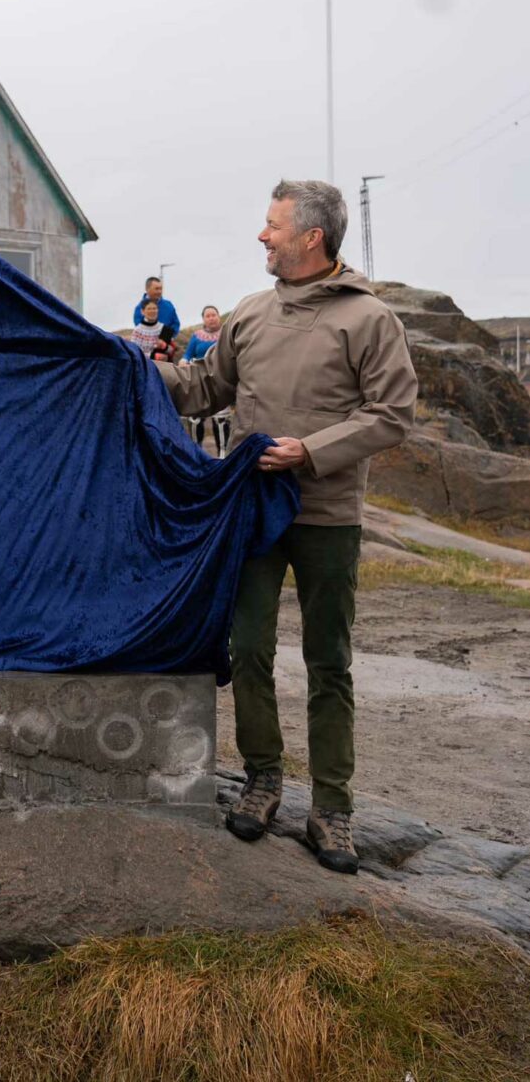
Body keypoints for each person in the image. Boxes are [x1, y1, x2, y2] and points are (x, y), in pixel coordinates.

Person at [157, 179, 417, 875]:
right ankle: (263, 780)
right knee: (247, 650)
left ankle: (331, 809)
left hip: (328, 517)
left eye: (272, 226)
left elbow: (391, 414)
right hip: (252, 513)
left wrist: (312, 451)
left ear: (311, 237)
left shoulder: (368, 320)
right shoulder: (249, 314)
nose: (261, 236)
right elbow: (206, 387)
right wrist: (137, 371)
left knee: (328, 661)